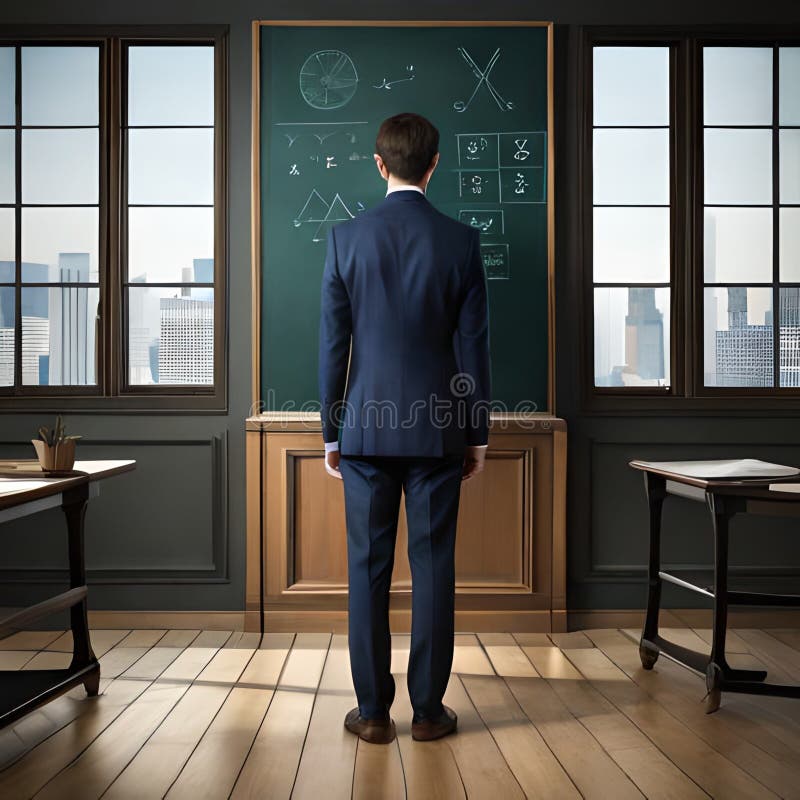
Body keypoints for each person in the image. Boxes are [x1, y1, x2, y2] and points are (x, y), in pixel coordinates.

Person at [318, 112, 491, 745]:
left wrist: (332, 432)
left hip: (365, 430)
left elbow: (332, 347)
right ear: (435, 164)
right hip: (439, 431)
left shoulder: (344, 239)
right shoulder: (461, 242)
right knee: (434, 565)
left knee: (366, 568)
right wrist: (476, 436)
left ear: (379, 162)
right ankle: (427, 711)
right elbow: (474, 352)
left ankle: (369, 713)